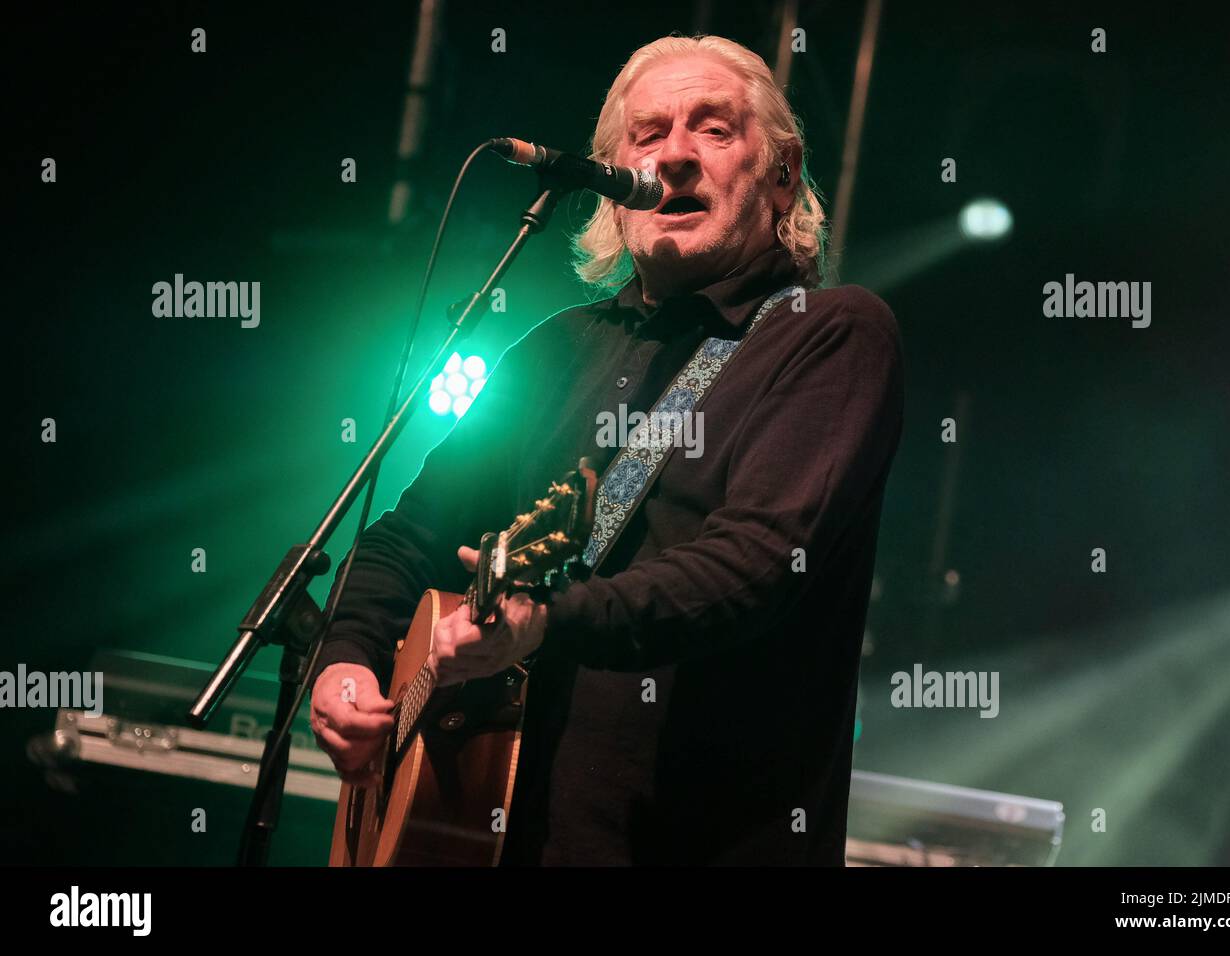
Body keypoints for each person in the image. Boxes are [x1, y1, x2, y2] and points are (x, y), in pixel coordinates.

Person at [309, 34, 903, 865]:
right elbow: (405, 540)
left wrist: (549, 619)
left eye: (715, 130)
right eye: (649, 134)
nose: (676, 158)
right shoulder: (554, 350)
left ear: (782, 172)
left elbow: (756, 565)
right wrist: (345, 666)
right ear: (610, 182)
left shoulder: (833, 335)